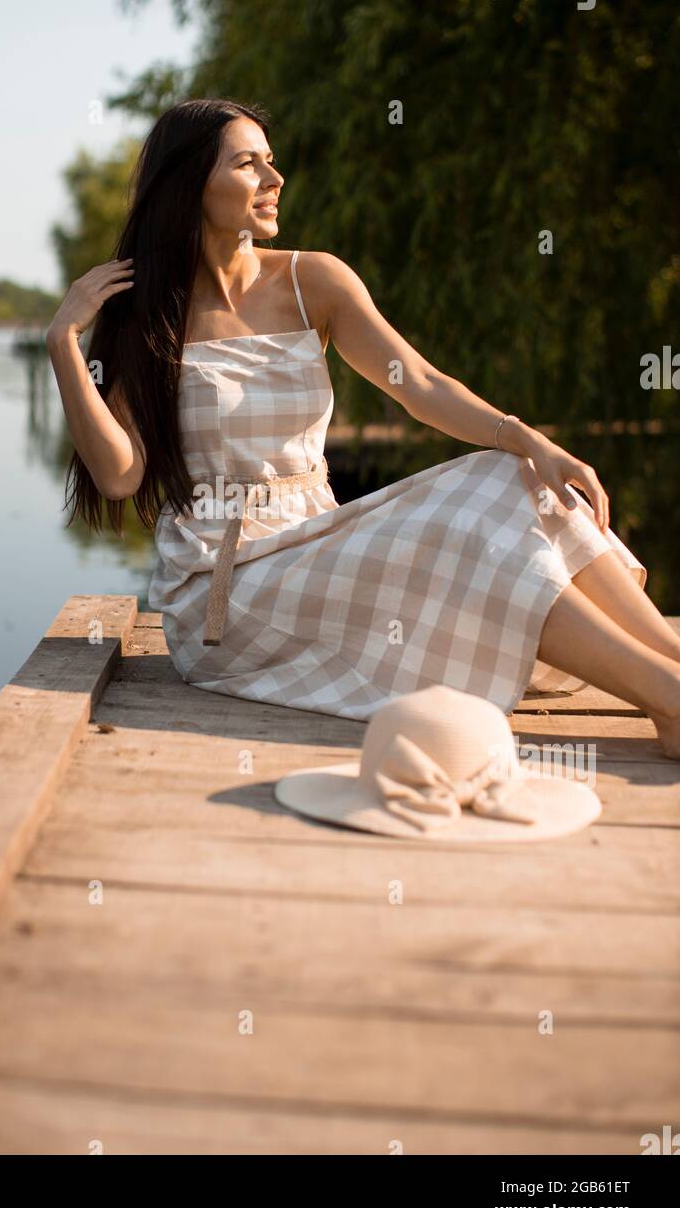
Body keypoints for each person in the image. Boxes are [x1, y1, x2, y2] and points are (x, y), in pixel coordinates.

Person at [46, 98, 680, 756]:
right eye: (247, 163)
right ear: (192, 185)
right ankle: (669, 700)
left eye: (271, 160)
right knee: (458, 540)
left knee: (512, 475)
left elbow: (422, 384)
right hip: (223, 587)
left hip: (321, 537)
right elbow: (120, 476)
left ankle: (673, 669)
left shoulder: (310, 280)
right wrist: (65, 340)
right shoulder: (145, 314)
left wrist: (530, 441)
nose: (274, 178)